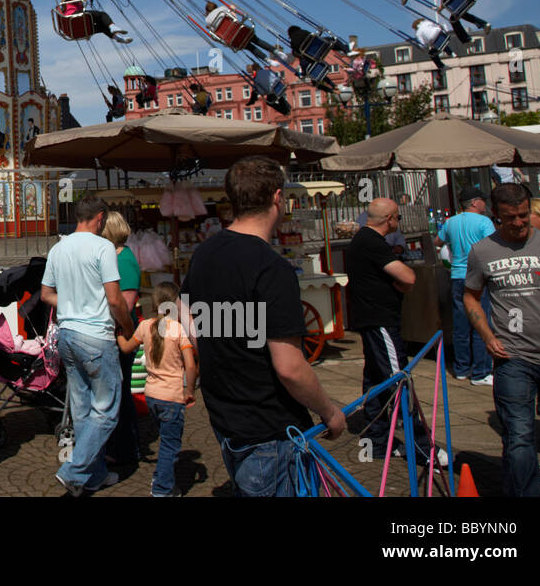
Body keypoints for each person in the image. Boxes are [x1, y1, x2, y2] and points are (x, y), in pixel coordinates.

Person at [182, 156, 346, 496]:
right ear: (276, 197)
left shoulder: (204, 254)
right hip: (269, 428)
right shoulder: (272, 268)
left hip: (227, 419)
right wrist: (330, 411)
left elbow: (189, 324)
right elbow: (290, 368)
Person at [464, 182, 540, 496]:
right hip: (513, 358)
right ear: (497, 215)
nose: (520, 223)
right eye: (511, 217)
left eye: (524, 215)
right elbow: (470, 296)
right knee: (520, 437)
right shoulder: (483, 251)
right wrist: (486, 335)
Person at [41, 195, 133, 494]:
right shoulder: (103, 248)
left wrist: (72, 303)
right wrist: (128, 326)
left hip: (67, 333)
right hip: (96, 336)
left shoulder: (58, 248)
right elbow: (115, 299)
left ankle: (94, 475)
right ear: (100, 218)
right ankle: (76, 469)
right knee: (106, 409)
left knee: (82, 410)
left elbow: (46, 294)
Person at [345, 198, 441, 466]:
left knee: (376, 380)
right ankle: (422, 447)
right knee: (398, 380)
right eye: (397, 218)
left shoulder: (365, 241)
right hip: (380, 321)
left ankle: (377, 440)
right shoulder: (371, 242)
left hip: (375, 319)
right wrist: (403, 281)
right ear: (390, 219)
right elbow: (408, 277)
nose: (398, 223)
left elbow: (402, 279)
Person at [121, 282, 196, 497]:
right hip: (172, 396)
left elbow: (126, 348)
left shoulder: (145, 327)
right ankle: (163, 489)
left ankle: (163, 479)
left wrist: (118, 333)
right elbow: (190, 366)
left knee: (164, 439)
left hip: (152, 394)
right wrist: (189, 390)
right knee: (170, 446)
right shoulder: (178, 329)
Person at [437, 186, 497, 385]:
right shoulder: (484, 222)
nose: (485, 204)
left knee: (461, 324)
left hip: (456, 276)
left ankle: (461, 368)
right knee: (480, 323)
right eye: (482, 200)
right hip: (478, 277)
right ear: (474, 202)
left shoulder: (451, 222)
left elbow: (438, 241)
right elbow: (493, 246)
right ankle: (481, 372)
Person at [101, 210, 144, 465]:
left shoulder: (124, 260)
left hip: (121, 335)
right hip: (111, 334)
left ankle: (127, 448)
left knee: (121, 392)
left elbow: (125, 305)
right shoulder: (112, 258)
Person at [59, 0, 131, 43]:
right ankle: (112, 26)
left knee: (102, 26)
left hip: (76, 26)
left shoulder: (66, 6)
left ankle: (117, 37)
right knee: (102, 14)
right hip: (75, 16)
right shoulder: (71, 0)